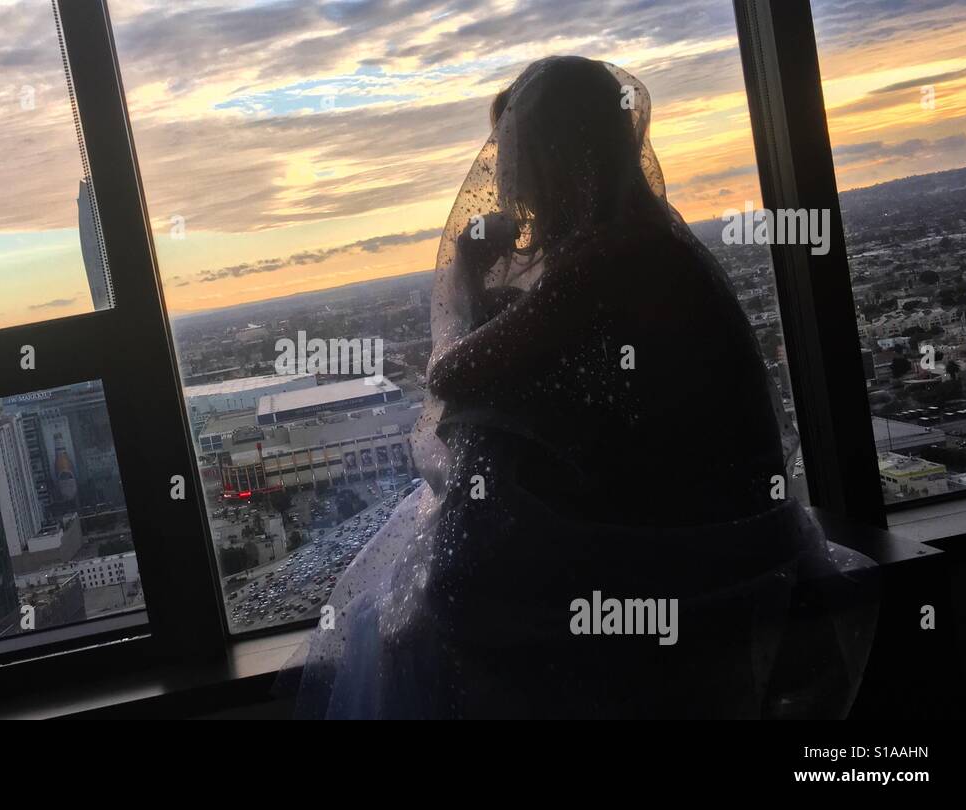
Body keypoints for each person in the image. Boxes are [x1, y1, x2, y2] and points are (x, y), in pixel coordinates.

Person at [285, 56, 876, 719]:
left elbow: (457, 374)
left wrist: (469, 273)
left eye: (518, 160)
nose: (511, 182)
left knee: (434, 604)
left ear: (552, 157)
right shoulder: (645, 241)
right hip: (708, 532)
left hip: (689, 556)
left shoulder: (608, 257)